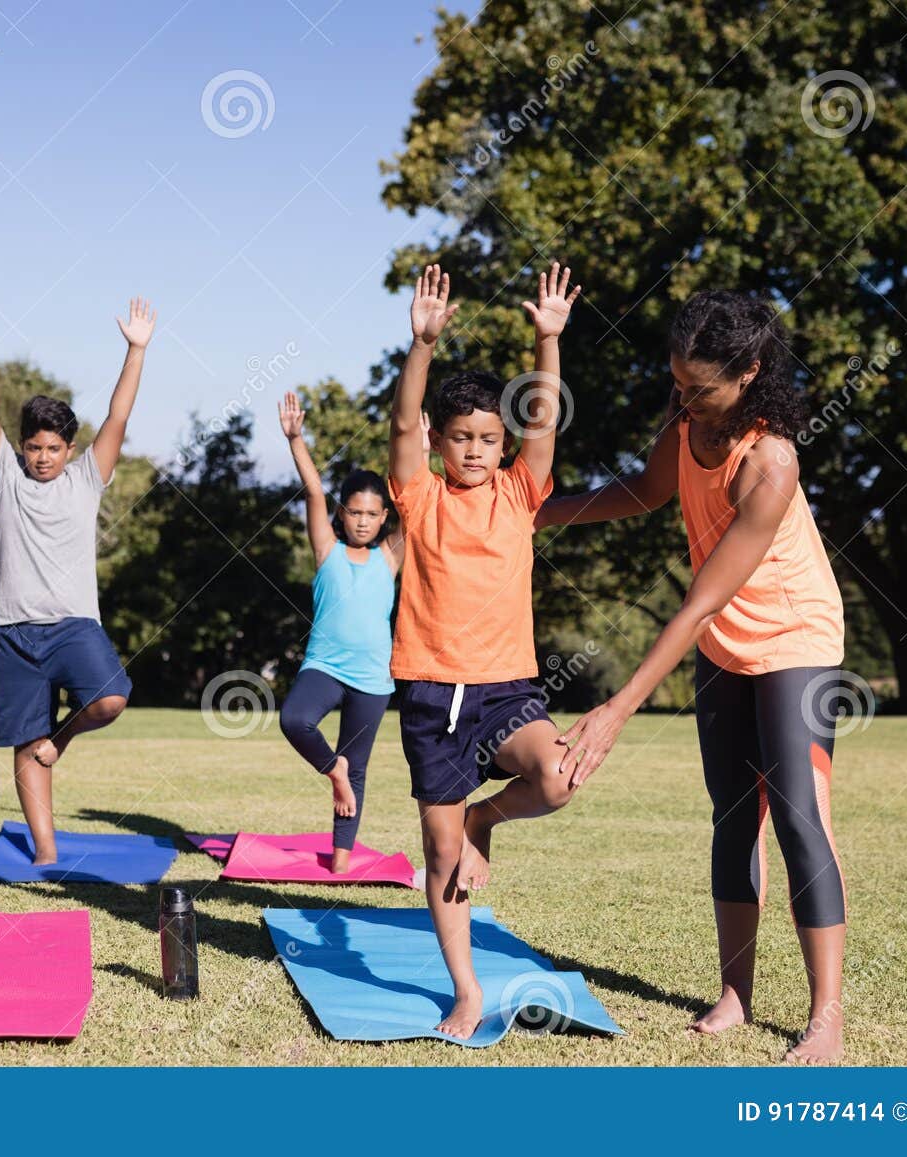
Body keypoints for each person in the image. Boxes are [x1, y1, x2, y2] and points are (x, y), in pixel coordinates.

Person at [538, 290, 848, 1063]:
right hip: (723, 641)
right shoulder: (685, 423)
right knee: (732, 814)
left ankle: (827, 1016)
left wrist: (618, 707)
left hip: (794, 638)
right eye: (676, 381)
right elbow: (646, 492)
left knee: (800, 817)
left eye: (699, 386)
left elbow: (701, 600)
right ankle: (737, 994)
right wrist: (541, 514)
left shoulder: (770, 464)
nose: (683, 398)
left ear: (748, 372)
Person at [388, 261, 583, 1039]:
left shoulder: (518, 492)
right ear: (439, 442)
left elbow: (545, 420)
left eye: (487, 439)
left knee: (558, 775)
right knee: (437, 853)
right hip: (432, 690)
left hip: (507, 687)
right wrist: (421, 348)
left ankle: (486, 821)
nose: (475, 449)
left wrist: (547, 339)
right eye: (461, 438)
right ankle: (465, 989)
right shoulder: (420, 493)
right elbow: (402, 426)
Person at [0, 288, 155, 864]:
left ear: (71, 449)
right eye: (34, 447)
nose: (43, 457)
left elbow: (119, 415)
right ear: (22, 448)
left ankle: (61, 739)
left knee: (113, 696)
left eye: (54, 448)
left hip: (73, 626)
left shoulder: (87, 479)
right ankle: (44, 853)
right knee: (24, 742)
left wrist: (136, 351)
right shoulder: (6, 478)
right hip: (13, 632)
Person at [275, 391, 405, 874]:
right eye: (355, 512)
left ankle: (341, 860)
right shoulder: (327, 550)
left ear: (383, 518)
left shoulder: (390, 557)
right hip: (325, 666)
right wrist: (295, 440)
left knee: (362, 766)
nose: (364, 521)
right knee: (294, 720)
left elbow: (416, 500)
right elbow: (312, 491)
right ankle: (334, 771)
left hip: (373, 676)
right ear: (342, 513)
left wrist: (427, 448)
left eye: (373, 514)